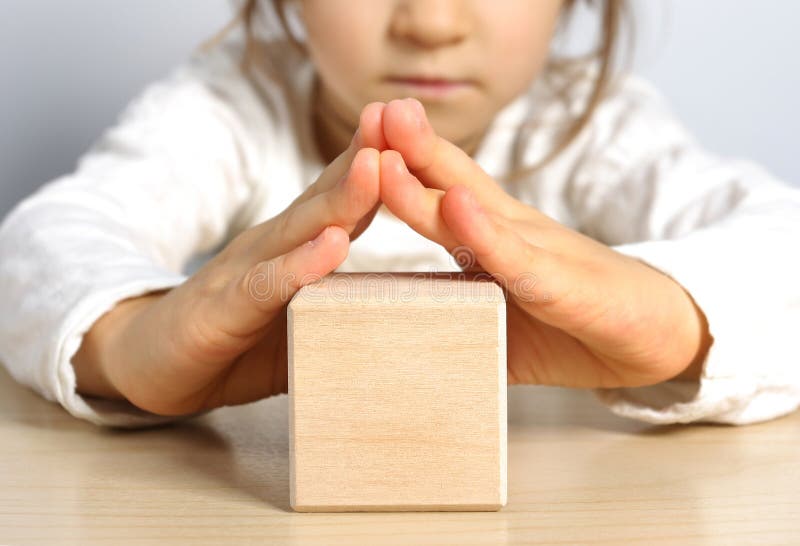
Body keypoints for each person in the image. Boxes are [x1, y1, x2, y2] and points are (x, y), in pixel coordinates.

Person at [1, 0, 798, 428]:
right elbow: (45, 237)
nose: (431, 23)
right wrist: (126, 342)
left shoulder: (594, 124)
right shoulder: (234, 102)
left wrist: (673, 319)